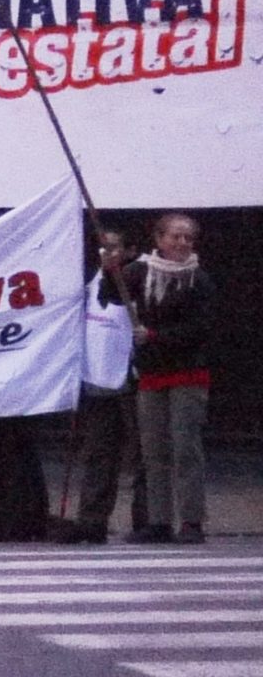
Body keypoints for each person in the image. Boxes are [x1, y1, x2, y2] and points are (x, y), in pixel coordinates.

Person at [126, 212, 213, 545]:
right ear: (159, 239)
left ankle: (191, 521)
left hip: (188, 372)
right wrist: (108, 268)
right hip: (152, 373)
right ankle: (159, 520)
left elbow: (199, 330)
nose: (182, 242)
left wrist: (154, 336)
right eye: (176, 236)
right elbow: (112, 293)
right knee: (153, 450)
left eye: (188, 237)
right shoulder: (141, 272)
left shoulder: (198, 280)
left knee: (185, 447)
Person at [63, 226, 147, 545]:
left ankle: (147, 519)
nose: (106, 254)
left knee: (142, 452)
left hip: (129, 376)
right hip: (97, 376)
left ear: (129, 251)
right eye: (102, 247)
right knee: (99, 451)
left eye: (114, 248)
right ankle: (92, 520)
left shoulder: (138, 277)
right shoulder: (90, 278)